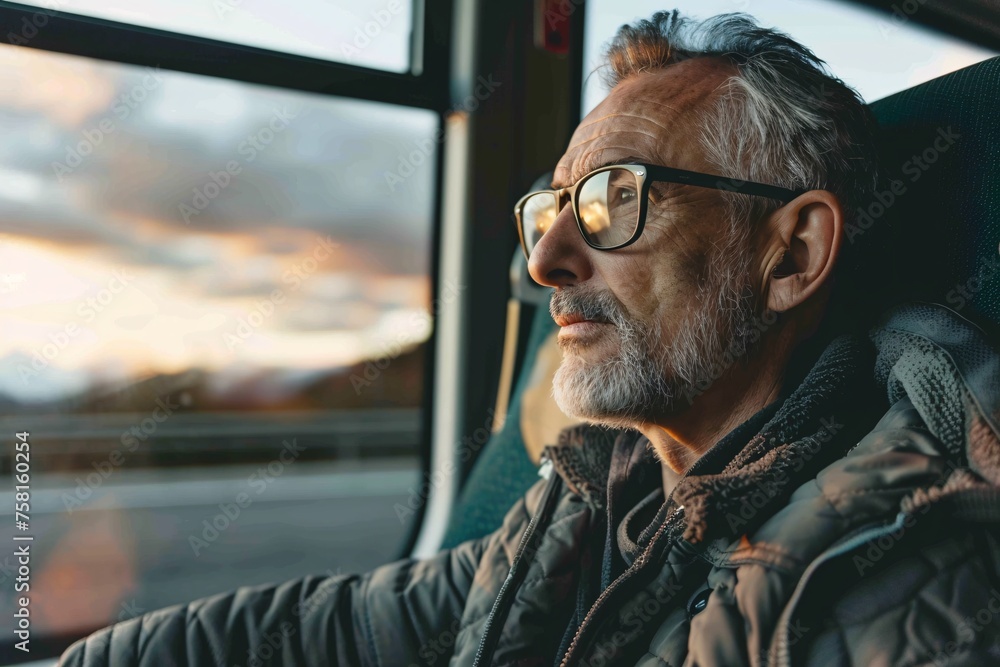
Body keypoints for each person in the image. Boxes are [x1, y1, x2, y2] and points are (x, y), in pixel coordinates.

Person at [60, 11, 1000, 666]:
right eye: (552, 207)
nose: (547, 257)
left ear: (791, 254)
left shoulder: (897, 579)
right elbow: (337, 627)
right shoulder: (595, 501)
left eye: (615, 198)